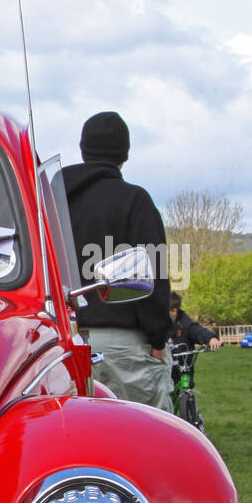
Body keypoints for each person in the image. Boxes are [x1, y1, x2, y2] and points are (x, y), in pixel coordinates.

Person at [64, 111, 172, 409]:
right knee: (143, 445)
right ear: (124, 153)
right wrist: (158, 340)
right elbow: (153, 274)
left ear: (83, 149)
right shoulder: (135, 201)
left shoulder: (51, 202)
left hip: (59, 344)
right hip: (124, 346)